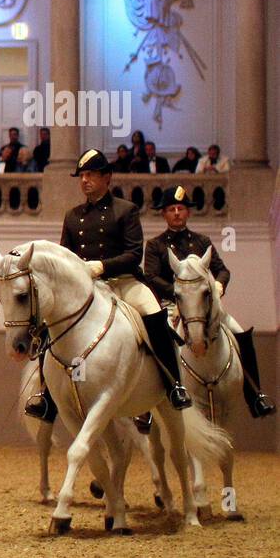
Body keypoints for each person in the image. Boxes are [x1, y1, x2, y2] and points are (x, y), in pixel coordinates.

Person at [23, 148, 191, 422]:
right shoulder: (73, 216)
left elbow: (134, 254)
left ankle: (174, 385)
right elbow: (65, 256)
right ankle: (47, 396)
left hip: (123, 282)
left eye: (90, 174)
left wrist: (102, 266)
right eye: (82, 175)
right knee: (48, 325)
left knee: (154, 316)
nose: (85, 180)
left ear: (107, 177)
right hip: (86, 289)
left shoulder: (126, 210)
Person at [143, 186, 273, 418]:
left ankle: (255, 395)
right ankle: (147, 407)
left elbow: (222, 270)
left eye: (180, 208)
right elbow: (151, 276)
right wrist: (181, 294)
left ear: (188, 213)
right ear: (164, 214)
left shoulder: (202, 242)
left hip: (205, 307)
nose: (176, 213)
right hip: (173, 306)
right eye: (171, 209)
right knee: (152, 345)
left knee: (241, 335)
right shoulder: (156, 245)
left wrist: (219, 285)